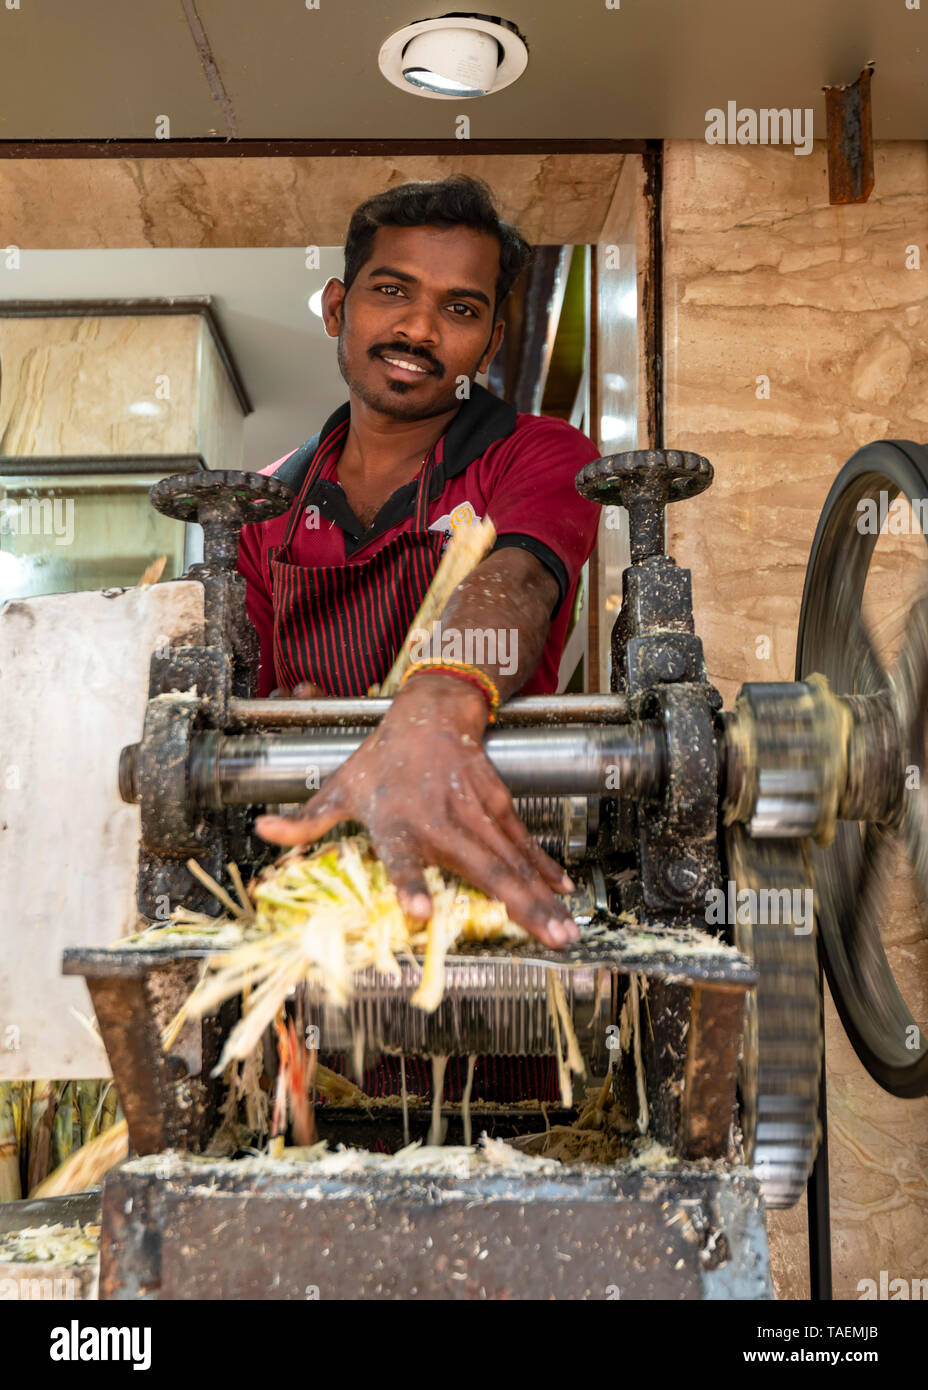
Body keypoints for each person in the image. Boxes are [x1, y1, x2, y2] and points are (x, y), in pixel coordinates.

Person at [238, 175, 601, 949]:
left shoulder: (536, 454)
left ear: (492, 343)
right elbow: (249, 701)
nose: (419, 329)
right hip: (319, 912)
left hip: (493, 891)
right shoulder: (265, 504)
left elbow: (520, 580)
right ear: (339, 308)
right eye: (393, 290)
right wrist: (287, 714)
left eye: (460, 309)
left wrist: (436, 712)